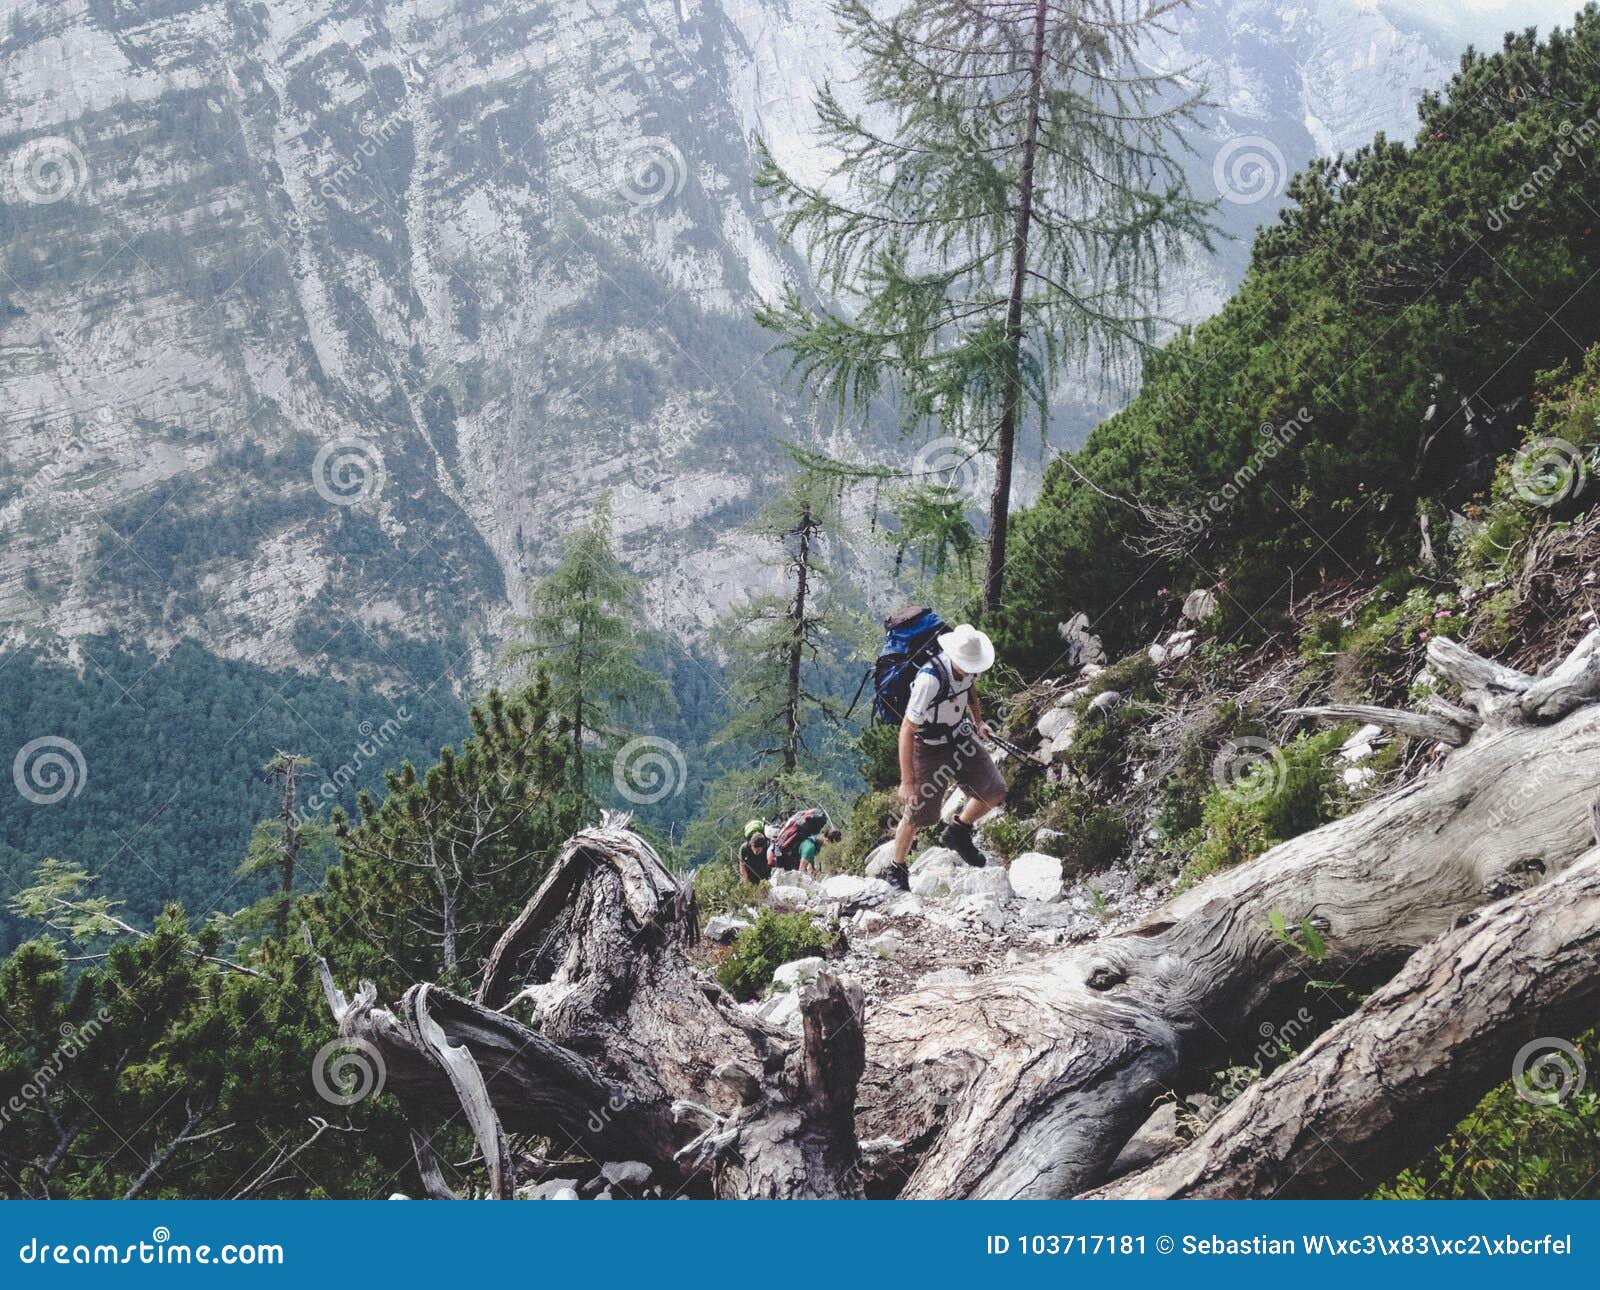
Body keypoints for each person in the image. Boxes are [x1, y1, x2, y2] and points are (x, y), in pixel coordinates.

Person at [887, 623, 1007, 892]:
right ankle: (896, 868)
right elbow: (907, 729)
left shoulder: (968, 671)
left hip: (959, 735)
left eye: (974, 666)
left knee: (995, 790)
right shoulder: (929, 680)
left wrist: (978, 721)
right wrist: (907, 782)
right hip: (927, 745)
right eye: (968, 665)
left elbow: (969, 690)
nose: (972, 670)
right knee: (918, 812)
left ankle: (958, 832)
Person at [737, 819, 772, 884]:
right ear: (751, 845)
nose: (756, 852)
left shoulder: (767, 845)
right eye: (754, 849)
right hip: (752, 872)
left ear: (762, 847)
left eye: (758, 850)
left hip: (764, 869)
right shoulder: (744, 848)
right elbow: (742, 864)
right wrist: (746, 881)